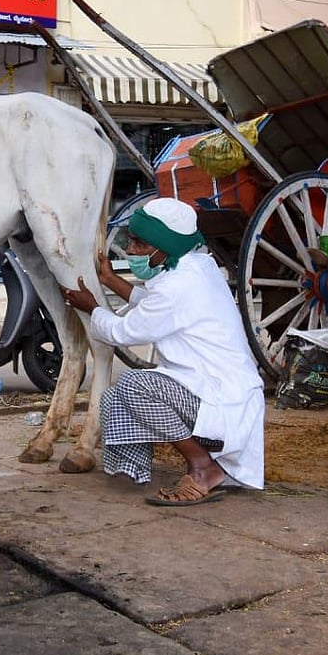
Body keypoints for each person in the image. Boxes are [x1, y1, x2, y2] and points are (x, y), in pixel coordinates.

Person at [61, 198, 264, 506]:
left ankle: (203, 468)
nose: (130, 250)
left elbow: (122, 332)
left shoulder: (178, 286)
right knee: (114, 396)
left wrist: (91, 306)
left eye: (139, 244)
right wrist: (110, 280)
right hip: (218, 390)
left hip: (223, 399)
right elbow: (152, 301)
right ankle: (136, 467)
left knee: (134, 387)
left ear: (163, 246)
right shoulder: (195, 266)